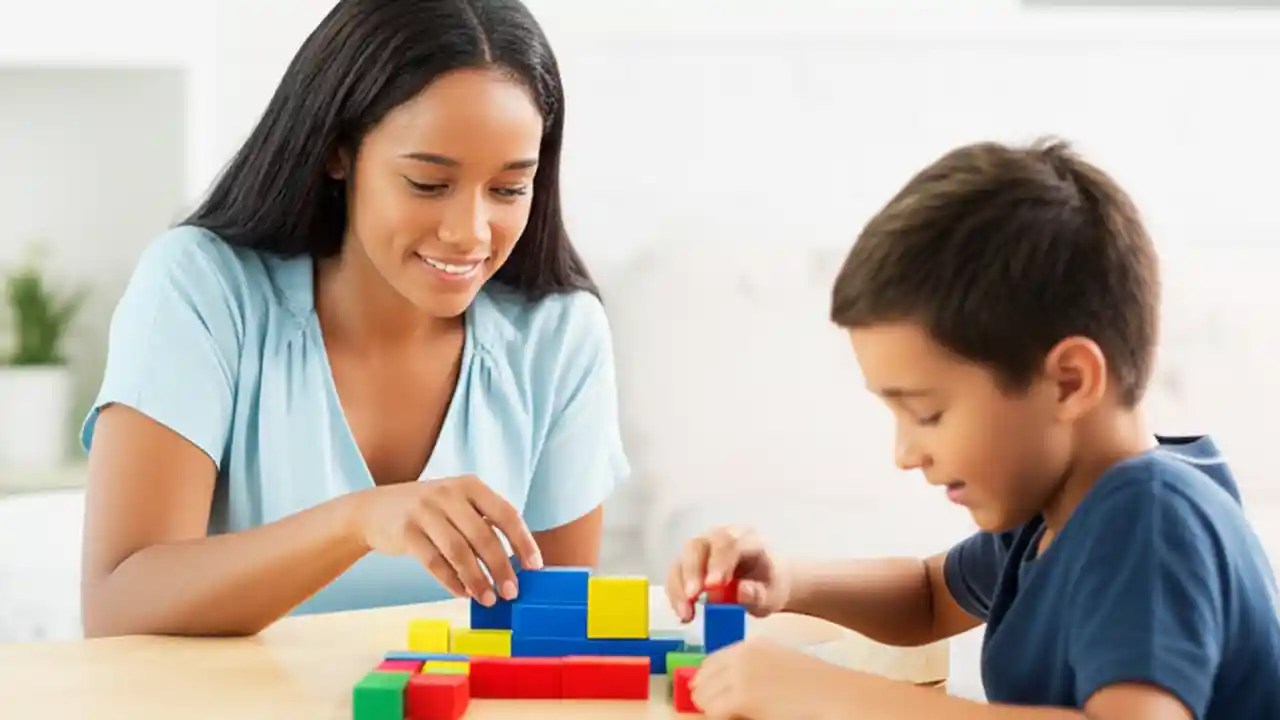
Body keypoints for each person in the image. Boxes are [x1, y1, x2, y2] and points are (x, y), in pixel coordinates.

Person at [667, 139, 1280, 719]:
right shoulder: (1056, 509)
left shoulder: (1148, 516)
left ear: (1068, 382)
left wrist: (827, 695)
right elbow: (929, 596)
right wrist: (789, 581)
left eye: (928, 414)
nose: (906, 453)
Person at [78, 0, 628, 638]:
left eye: (508, 190)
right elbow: (118, 606)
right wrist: (358, 522)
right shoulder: (203, 287)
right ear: (338, 153)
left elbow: (552, 638)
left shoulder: (558, 335)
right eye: (427, 183)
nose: (469, 232)